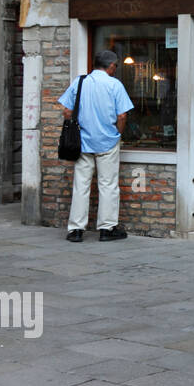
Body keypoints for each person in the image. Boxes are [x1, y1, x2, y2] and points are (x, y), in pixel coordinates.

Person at [59, 50, 135, 242]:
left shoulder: (80, 82)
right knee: (108, 185)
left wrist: (81, 125)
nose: (115, 69)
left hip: (83, 142)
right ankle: (106, 228)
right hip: (107, 141)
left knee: (81, 185)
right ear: (110, 66)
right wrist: (117, 133)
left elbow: (67, 111)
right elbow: (122, 116)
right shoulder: (114, 85)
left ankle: (76, 230)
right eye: (115, 66)